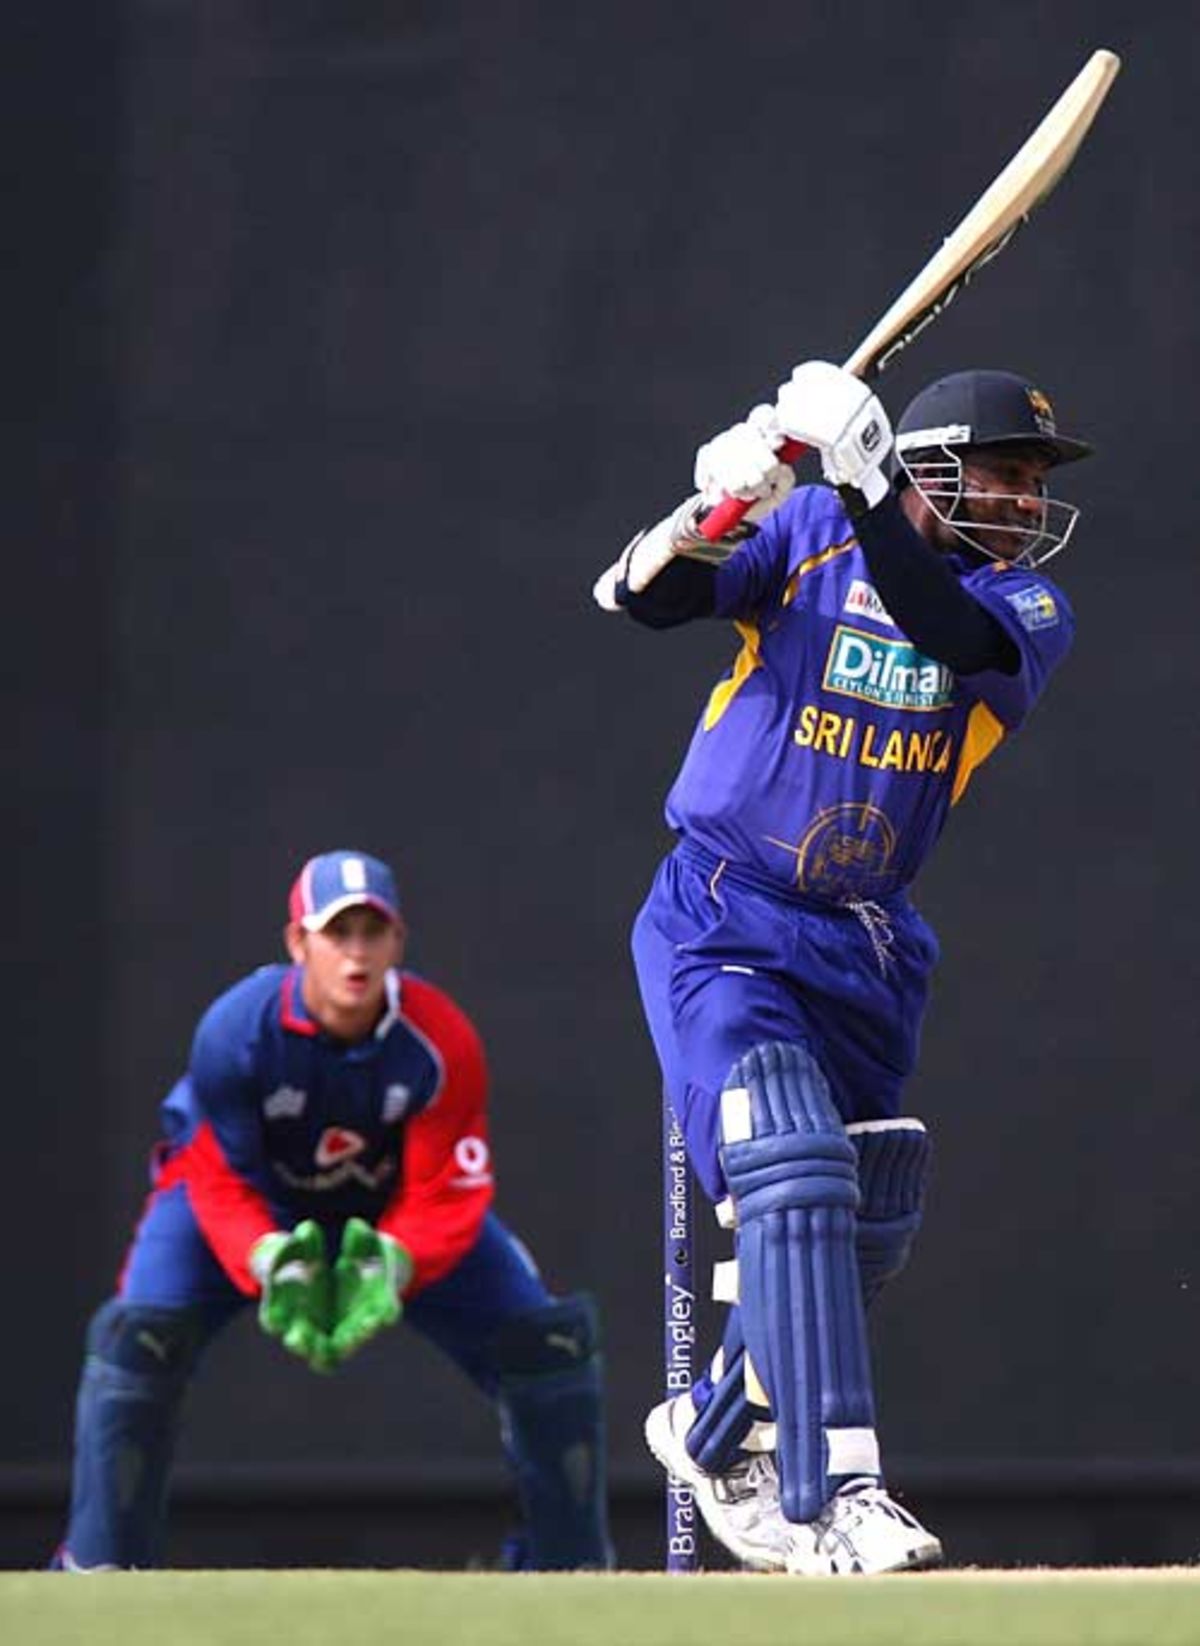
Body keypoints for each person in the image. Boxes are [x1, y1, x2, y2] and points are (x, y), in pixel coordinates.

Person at [593, 361, 1090, 1575]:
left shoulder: (1024, 607)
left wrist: (865, 482)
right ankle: (837, 1493)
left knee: (870, 1199)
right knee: (795, 1167)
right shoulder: (811, 531)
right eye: (1003, 475)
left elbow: (944, 626)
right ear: (932, 466)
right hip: (727, 912)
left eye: (1033, 484)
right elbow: (638, 598)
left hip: (866, 939)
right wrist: (719, 505)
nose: (1024, 504)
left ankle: (715, 1430)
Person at [54, 848, 612, 1571]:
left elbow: (449, 1188)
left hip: (389, 1215)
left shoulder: (440, 1040)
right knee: (136, 1343)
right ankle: (98, 1572)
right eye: (336, 933)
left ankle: (567, 1574)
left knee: (549, 1347)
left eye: (371, 933)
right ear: (297, 944)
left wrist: (395, 1258)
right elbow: (216, 1179)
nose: (355, 953)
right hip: (246, 1205)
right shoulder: (235, 1033)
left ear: (397, 944)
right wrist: (267, 1256)